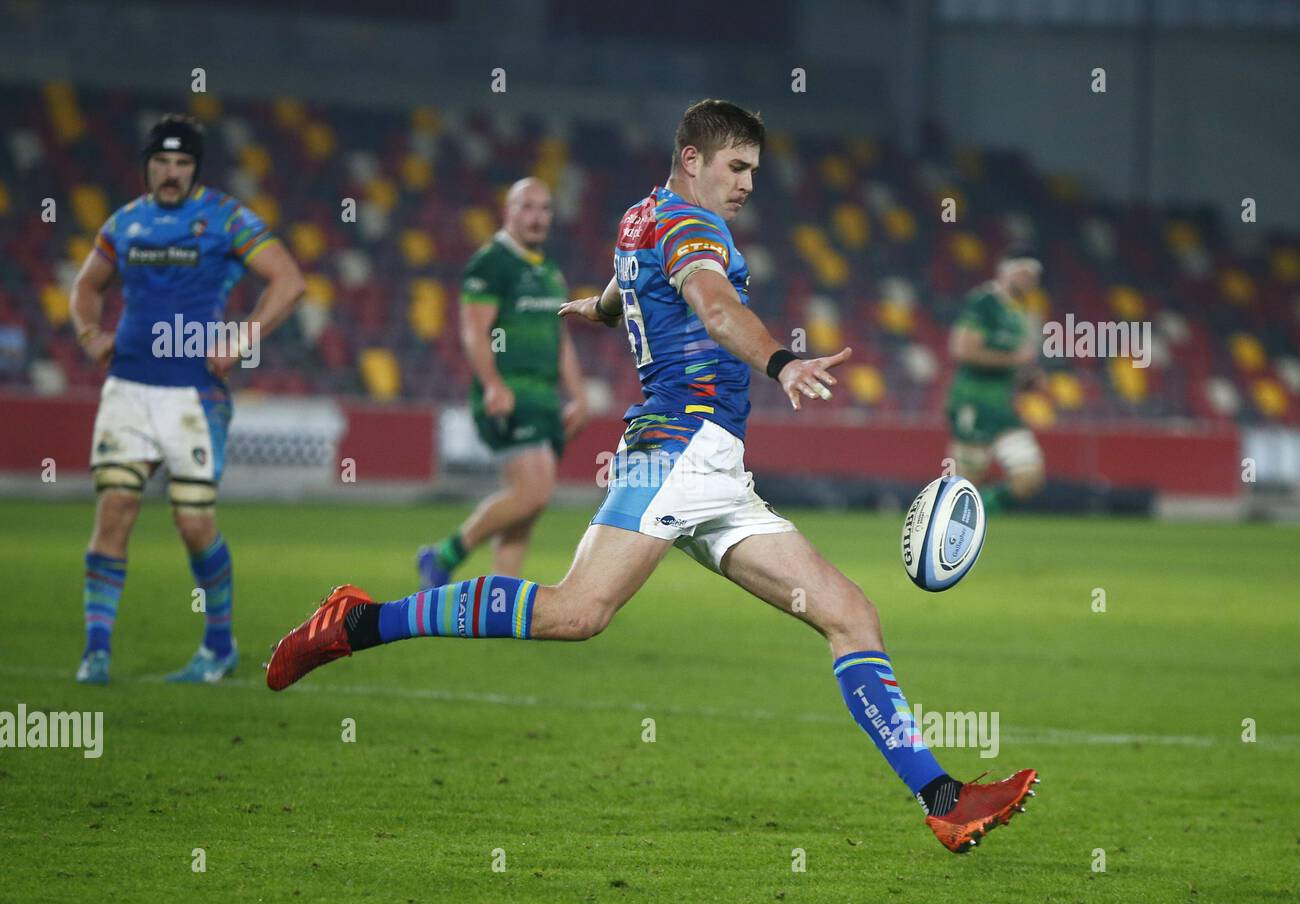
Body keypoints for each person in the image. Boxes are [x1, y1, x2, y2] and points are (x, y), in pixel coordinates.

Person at [266, 100, 1037, 853]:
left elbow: (627, 289)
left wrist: (598, 309)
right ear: (692, 160)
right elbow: (712, 306)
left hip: (717, 472)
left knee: (851, 614)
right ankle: (358, 621)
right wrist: (783, 360)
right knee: (576, 611)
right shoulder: (695, 227)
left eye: (755, 172)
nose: (746, 184)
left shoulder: (642, 217)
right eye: (736, 166)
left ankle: (944, 801)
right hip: (680, 447)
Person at [71, 114, 305, 684]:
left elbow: (289, 281)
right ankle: (96, 653)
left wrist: (244, 338)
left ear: (195, 168)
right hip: (128, 387)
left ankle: (218, 647)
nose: (171, 173)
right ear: (147, 165)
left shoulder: (224, 218)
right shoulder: (124, 223)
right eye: (161, 162)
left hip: (193, 395)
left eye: (181, 163)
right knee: (115, 510)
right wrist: (90, 335)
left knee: (194, 523)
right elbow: (85, 286)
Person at [417, 177, 587, 586]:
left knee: (528, 507)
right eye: (527, 207)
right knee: (534, 492)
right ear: (508, 211)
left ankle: (502, 596)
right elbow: (474, 330)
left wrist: (579, 395)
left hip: (543, 397)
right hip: (510, 394)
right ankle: (444, 554)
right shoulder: (491, 263)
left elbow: (560, 337)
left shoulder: (547, 270)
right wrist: (493, 384)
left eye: (545, 208)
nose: (537, 217)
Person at [946, 249, 1047, 513]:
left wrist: (1027, 378)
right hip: (973, 402)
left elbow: (1014, 363)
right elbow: (963, 350)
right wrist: (1015, 359)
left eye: (1034, 275)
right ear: (1006, 270)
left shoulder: (1021, 313)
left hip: (1002, 408)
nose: (1030, 279)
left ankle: (978, 516)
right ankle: (951, 526)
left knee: (1030, 478)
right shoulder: (985, 303)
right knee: (968, 483)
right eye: (1025, 272)